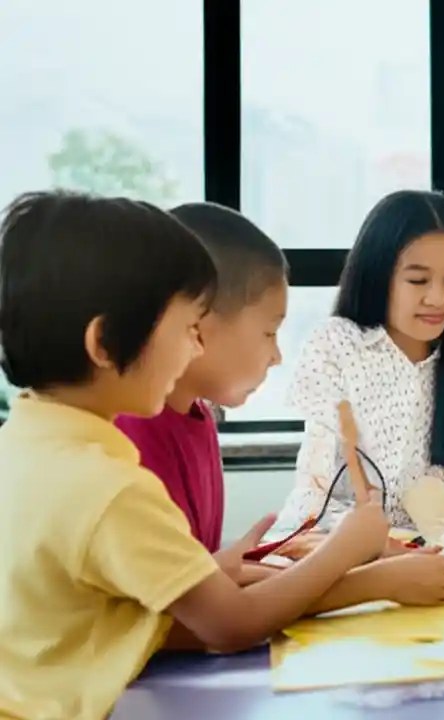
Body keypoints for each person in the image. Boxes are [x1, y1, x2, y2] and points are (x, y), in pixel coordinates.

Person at [0, 192, 387, 719]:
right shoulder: (110, 487)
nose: (192, 348)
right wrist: (346, 549)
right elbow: (231, 625)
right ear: (106, 343)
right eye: (186, 330)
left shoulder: (23, 441)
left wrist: (211, 568)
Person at [115, 201, 444, 604]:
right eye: (268, 333)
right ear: (198, 325)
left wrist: (347, 556)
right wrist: (367, 577)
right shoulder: (133, 435)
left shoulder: (198, 418)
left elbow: (209, 582)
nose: (277, 356)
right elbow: (195, 620)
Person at [270, 190, 444, 556]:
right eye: (417, 280)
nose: (438, 299)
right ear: (379, 275)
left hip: (413, 565)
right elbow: (314, 499)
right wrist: (386, 553)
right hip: (319, 552)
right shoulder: (335, 344)